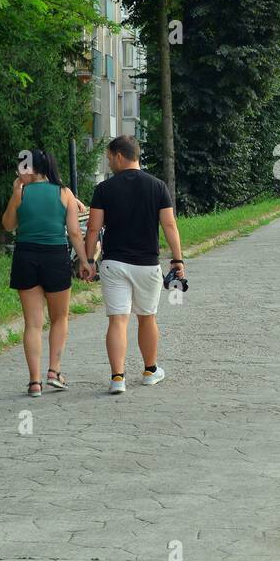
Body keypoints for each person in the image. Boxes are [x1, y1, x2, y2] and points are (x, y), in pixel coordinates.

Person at [84, 135, 184, 395]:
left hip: (114, 264)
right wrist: (177, 259)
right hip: (147, 265)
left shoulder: (104, 189)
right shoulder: (158, 186)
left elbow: (93, 228)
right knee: (147, 318)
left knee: (117, 320)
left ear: (119, 156)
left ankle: (118, 378)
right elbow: (170, 225)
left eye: (108, 158)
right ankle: (150, 371)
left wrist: (88, 260)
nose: (108, 163)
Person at [1, 147, 92, 397]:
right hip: (55, 257)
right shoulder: (64, 193)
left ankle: (34, 382)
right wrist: (84, 261)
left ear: (30, 169)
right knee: (60, 318)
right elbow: (74, 233)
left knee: (32, 323)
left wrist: (15, 194)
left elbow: (8, 225)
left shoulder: (21, 193)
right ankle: (54, 371)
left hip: (25, 256)